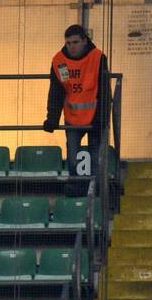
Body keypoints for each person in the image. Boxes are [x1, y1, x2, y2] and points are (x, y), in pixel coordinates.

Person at [43, 24, 111, 191]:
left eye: (75, 42)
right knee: (73, 157)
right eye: (68, 43)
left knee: (96, 157)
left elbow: (104, 91)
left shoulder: (97, 58)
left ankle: (96, 192)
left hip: (95, 117)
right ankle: (77, 189)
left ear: (85, 41)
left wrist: (101, 118)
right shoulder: (60, 62)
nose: (71, 46)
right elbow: (57, 91)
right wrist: (52, 119)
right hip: (72, 118)